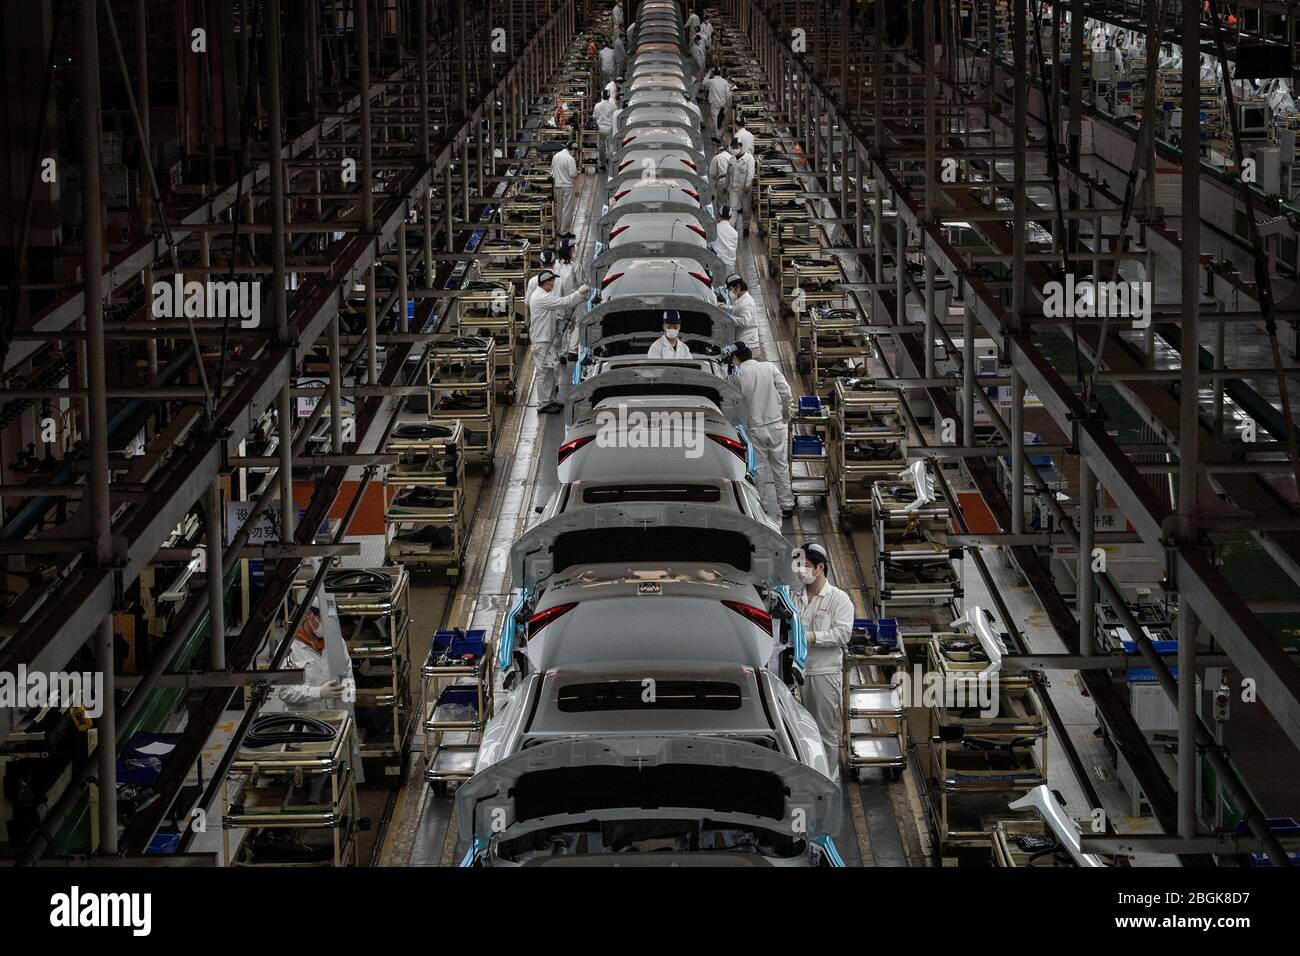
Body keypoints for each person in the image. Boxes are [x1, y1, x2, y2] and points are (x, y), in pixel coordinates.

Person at [274, 592, 364, 787]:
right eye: (322, 620)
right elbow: (285, 691)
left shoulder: (336, 641)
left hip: (335, 720)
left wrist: (349, 701)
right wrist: (318, 693)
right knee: (308, 776)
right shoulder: (289, 649)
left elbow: (348, 673)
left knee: (341, 775)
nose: (326, 627)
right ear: (309, 616)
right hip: (304, 724)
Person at [793, 542, 854, 784]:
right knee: (800, 729)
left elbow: (843, 634)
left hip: (823, 673)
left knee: (824, 730)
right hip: (796, 672)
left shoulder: (839, 599)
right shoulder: (793, 596)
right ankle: (808, 775)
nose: (801, 571)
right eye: (799, 565)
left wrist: (813, 637)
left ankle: (829, 779)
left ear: (820, 568)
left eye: (806, 566)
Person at [729, 341, 795, 519]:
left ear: (735, 358)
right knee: (780, 466)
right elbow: (786, 391)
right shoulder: (769, 367)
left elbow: (734, 403)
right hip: (775, 423)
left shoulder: (739, 374)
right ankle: (787, 505)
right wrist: (785, 413)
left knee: (760, 468)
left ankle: (761, 507)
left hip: (755, 427)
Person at [527, 270, 589, 412]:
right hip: (541, 341)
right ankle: (543, 404)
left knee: (549, 371)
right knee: (543, 373)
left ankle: (550, 400)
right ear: (547, 283)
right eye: (553, 282)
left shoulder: (543, 295)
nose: (554, 284)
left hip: (546, 340)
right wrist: (579, 294)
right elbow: (564, 302)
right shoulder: (541, 297)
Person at [721, 272, 759, 353]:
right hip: (744, 341)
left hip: (748, 343)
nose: (731, 292)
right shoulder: (741, 298)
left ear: (738, 287)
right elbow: (737, 310)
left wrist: (728, 318)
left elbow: (745, 321)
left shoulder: (746, 302)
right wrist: (725, 308)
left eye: (731, 289)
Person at [551, 140, 579, 239]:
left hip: (557, 186)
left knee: (559, 208)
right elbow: (573, 174)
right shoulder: (570, 159)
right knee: (567, 209)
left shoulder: (556, 156)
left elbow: (552, 171)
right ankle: (565, 231)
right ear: (573, 150)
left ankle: (559, 229)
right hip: (568, 186)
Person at [728, 138, 755, 236]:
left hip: (745, 189)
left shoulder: (749, 158)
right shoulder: (731, 159)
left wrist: (748, 185)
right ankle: (731, 228)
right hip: (733, 188)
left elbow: (751, 173)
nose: (735, 149)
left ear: (741, 146)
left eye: (736, 147)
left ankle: (746, 227)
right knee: (733, 209)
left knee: (746, 209)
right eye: (733, 147)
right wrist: (727, 185)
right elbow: (728, 174)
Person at [593, 89, 618, 171]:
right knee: (610, 145)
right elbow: (616, 117)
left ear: (602, 96)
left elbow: (594, 116)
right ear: (609, 96)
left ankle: (602, 163)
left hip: (600, 128)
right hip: (609, 128)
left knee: (601, 146)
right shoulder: (613, 106)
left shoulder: (597, 105)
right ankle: (610, 161)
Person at [703, 70, 734, 135]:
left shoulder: (711, 81)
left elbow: (704, 82)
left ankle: (717, 135)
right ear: (720, 74)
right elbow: (727, 94)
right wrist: (727, 105)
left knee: (715, 119)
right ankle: (719, 134)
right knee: (722, 119)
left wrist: (708, 73)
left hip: (714, 103)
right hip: (722, 104)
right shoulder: (724, 81)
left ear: (713, 74)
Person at [715, 205, 739, 274]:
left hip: (717, 264)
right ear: (730, 216)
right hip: (730, 265)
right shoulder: (735, 233)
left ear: (719, 215)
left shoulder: (715, 228)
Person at [708, 138, 733, 203]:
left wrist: (717, 179)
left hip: (722, 182)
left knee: (722, 204)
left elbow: (712, 173)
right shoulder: (732, 157)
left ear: (718, 150)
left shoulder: (717, 157)